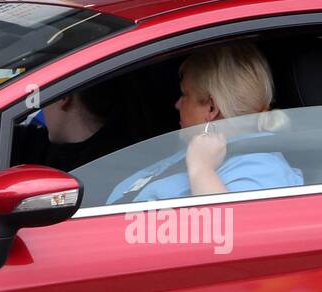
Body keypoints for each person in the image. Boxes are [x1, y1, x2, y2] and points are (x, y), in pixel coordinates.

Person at [105, 43, 302, 204]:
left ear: (211, 108)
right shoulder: (208, 152)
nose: (177, 104)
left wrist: (201, 170)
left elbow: (235, 238)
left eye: (184, 94)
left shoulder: (262, 170)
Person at [12, 81, 134, 173]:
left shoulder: (97, 170)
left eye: (44, 95)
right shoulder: (126, 153)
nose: (41, 106)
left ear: (63, 98)